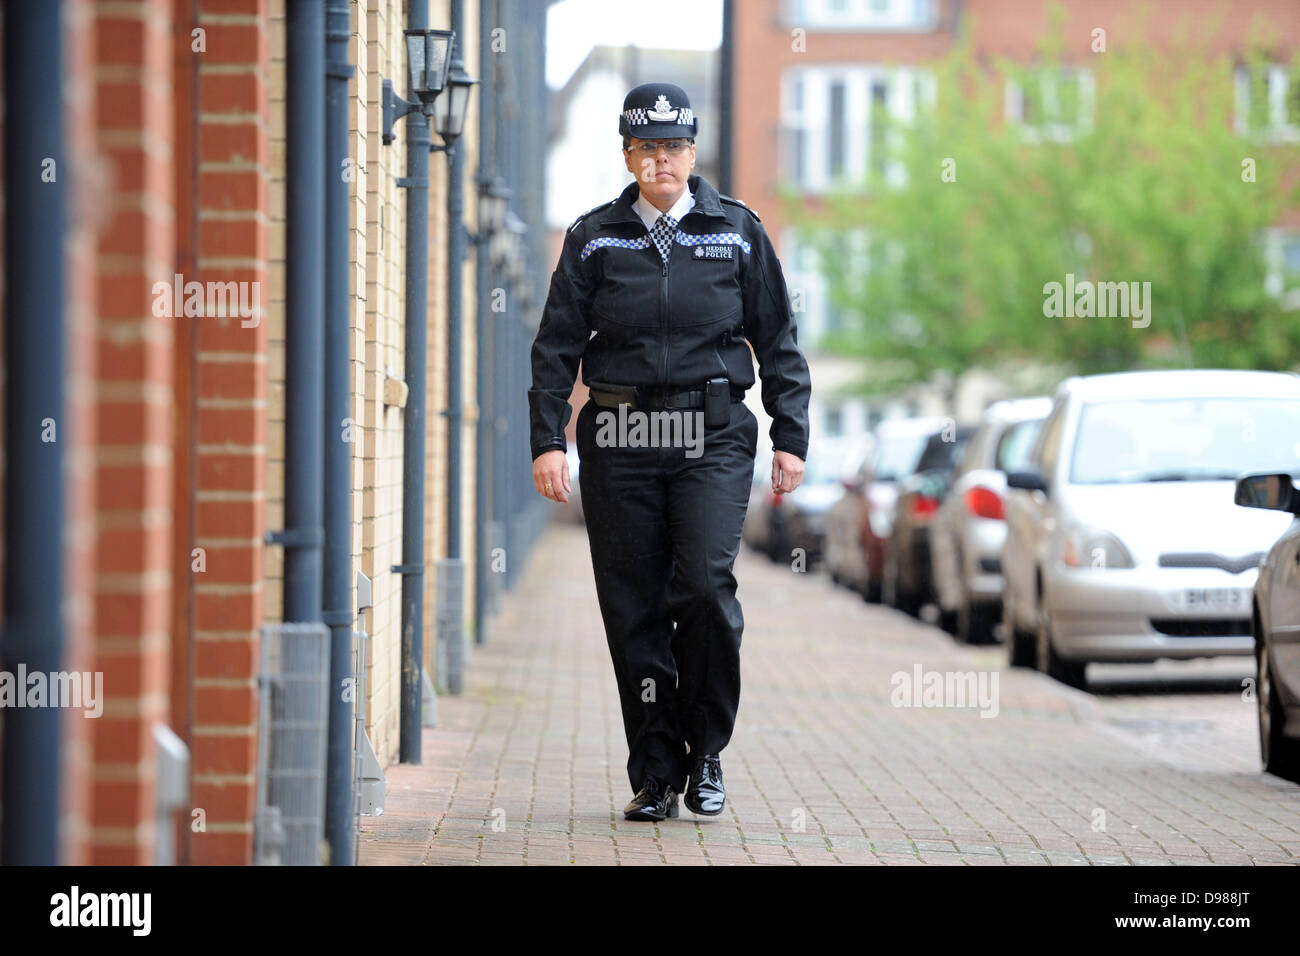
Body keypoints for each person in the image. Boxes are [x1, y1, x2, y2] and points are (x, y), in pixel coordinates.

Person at [528, 82, 811, 821]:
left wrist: (791, 435)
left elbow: (778, 340)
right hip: (620, 439)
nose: (662, 159)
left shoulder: (737, 233)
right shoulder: (594, 238)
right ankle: (657, 771)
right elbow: (556, 347)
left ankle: (706, 749)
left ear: (693, 152)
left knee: (707, 591)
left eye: (675, 146)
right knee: (635, 610)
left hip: (710, 435)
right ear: (627, 154)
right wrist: (546, 442)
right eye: (648, 147)